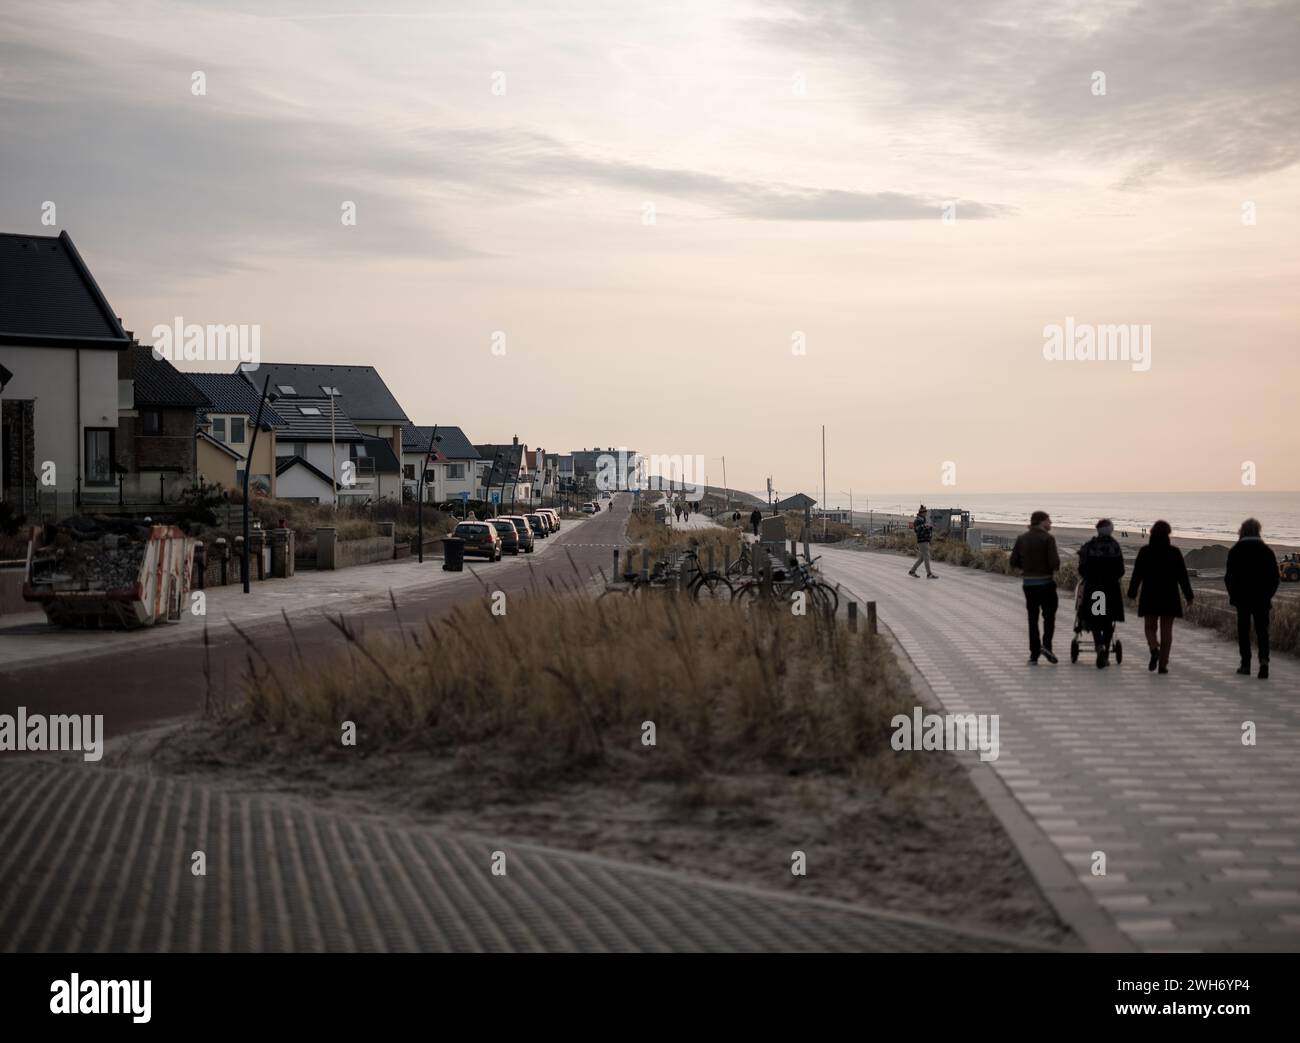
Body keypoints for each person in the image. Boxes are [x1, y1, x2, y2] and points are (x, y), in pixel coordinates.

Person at [1127, 521, 1194, 675]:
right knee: (1167, 632)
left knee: (1149, 627)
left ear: (1151, 533)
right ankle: (1163, 665)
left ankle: (1153, 647)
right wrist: (1189, 596)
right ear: (1168, 534)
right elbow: (1183, 577)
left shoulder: (1145, 551)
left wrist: (1132, 593)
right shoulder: (1174, 552)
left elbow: (1137, 574)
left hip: (1149, 595)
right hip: (1169, 597)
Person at [1224, 518, 1279, 679]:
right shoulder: (1266, 551)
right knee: (1262, 631)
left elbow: (1229, 578)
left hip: (1242, 598)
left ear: (1242, 531)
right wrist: (1268, 594)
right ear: (1258, 531)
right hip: (1262, 598)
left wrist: (1233, 595)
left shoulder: (1235, 551)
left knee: (1244, 631)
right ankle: (1264, 662)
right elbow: (1275, 577)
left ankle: (1245, 664)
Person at [1010, 511, 1060, 664]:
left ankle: (1034, 655)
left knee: (1033, 618)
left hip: (1029, 584)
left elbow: (1013, 561)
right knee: (1049, 617)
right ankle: (1047, 646)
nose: (1051, 523)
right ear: (1041, 522)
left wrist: (1026, 568)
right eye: (1048, 521)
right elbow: (1055, 563)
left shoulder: (1022, 538)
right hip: (1046, 583)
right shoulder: (1048, 538)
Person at [1077, 519, 1126, 668]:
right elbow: (1121, 570)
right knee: (1108, 620)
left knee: (1096, 619)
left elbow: (1082, 569)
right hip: (1110, 588)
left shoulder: (1090, 546)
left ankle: (1099, 646)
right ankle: (1104, 648)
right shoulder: (1115, 546)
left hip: (1094, 588)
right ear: (1110, 530)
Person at [907, 505, 936, 579]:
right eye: (925, 512)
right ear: (922, 513)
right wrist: (925, 526)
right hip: (922, 540)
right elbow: (917, 530)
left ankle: (912, 571)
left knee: (922, 558)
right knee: (926, 556)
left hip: (925, 540)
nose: (926, 513)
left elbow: (923, 528)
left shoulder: (923, 520)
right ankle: (929, 573)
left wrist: (929, 527)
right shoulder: (918, 520)